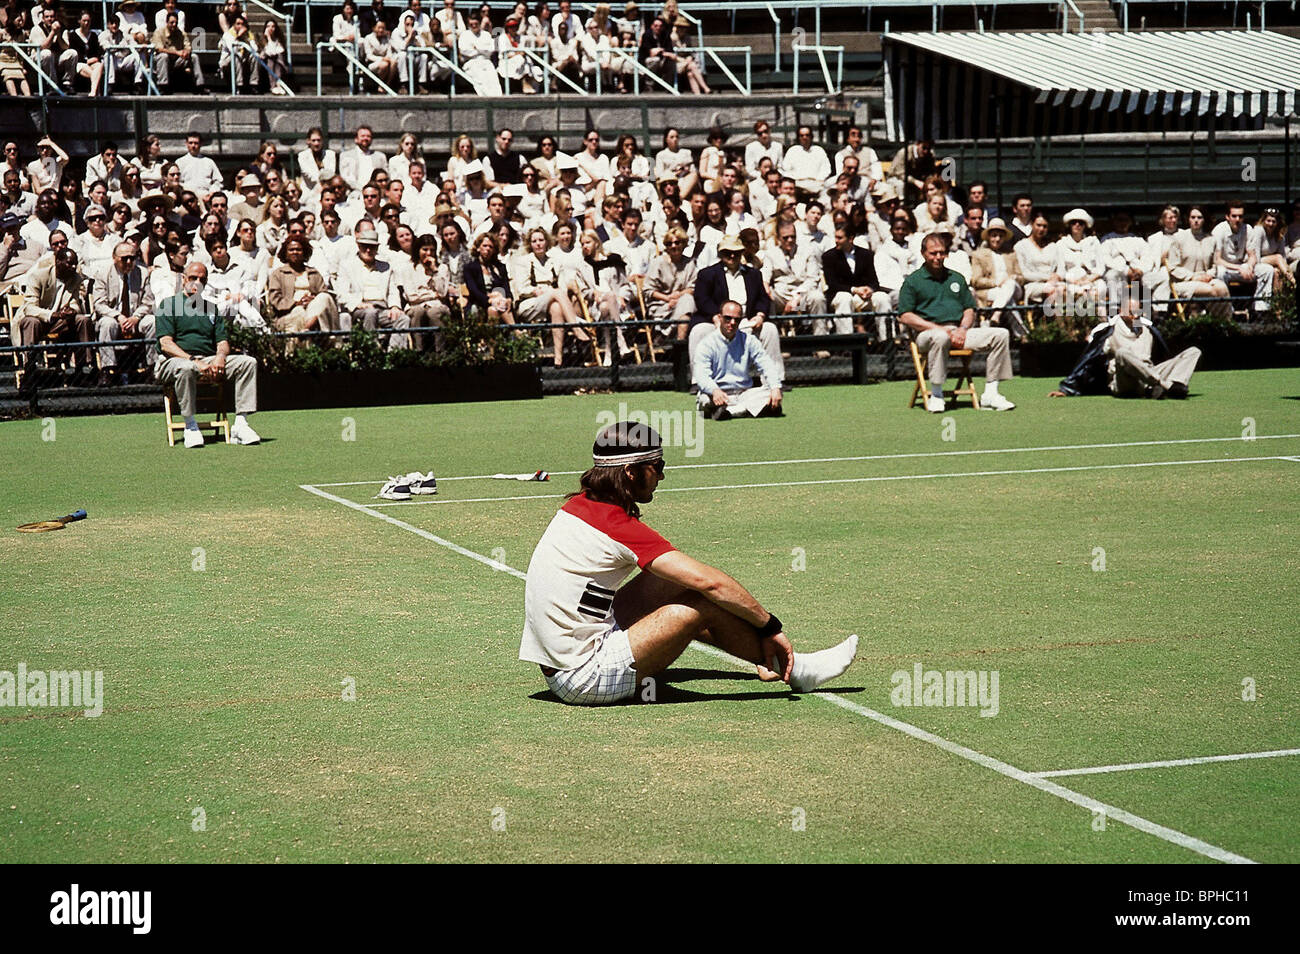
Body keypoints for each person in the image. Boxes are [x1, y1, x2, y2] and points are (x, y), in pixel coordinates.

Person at [519, 420, 857, 705]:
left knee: (673, 581)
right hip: (581, 679)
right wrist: (770, 627)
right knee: (697, 607)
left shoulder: (581, 506)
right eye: (658, 467)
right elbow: (711, 583)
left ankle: (773, 662)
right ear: (630, 471)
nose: (662, 477)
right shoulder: (616, 526)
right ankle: (797, 670)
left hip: (561, 659)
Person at [898, 233, 1016, 413]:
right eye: (933, 253)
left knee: (1000, 335)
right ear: (923, 253)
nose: (938, 257)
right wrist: (939, 329)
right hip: (927, 334)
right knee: (939, 337)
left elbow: (969, 309)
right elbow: (905, 316)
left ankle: (991, 394)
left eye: (942, 253)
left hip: (958, 331)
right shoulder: (913, 281)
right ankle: (936, 395)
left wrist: (962, 329)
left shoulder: (956, 278)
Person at [155, 261, 261, 447]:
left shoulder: (211, 308)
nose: (197, 283)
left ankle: (241, 425)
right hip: (174, 361)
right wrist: (194, 361)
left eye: (202, 280)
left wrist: (220, 357)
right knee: (186, 368)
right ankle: (190, 425)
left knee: (247, 362)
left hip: (207, 359)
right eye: (193, 278)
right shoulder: (168, 304)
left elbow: (222, 342)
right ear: (183, 279)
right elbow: (166, 344)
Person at [1051, 299, 1200, 401]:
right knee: (1122, 353)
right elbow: (1089, 361)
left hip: (1149, 373)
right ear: (1121, 311)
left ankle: (1166, 385)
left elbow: (1162, 355)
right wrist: (1067, 389)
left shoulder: (1148, 330)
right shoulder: (1108, 332)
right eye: (1131, 311)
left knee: (1193, 351)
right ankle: (1167, 386)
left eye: (1138, 310)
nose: (1135, 314)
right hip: (1125, 381)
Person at [693, 298, 784, 419]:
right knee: (705, 399)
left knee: (773, 392)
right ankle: (745, 410)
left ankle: (729, 412)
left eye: (737, 319)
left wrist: (775, 387)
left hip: (744, 393)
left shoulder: (749, 340)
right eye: (727, 318)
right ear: (719, 317)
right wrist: (714, 390)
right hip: (717, 393)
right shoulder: (706, 344)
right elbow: (701, 375)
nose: (732, 322)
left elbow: (766, 364)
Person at [17, 247, 94, 376]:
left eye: (75, 263)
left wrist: (72, 310)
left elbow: (76, 303)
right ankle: (29, 367)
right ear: (58, 261)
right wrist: (52, 314)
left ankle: (84, 366)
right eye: (69, 263)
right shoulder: (39, 276)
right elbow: (29, 308)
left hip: (60, 321)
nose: (74, 267)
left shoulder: (75, 278)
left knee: (83, 320)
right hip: (41, 320)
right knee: (30, 321)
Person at [91, 240, 155, 385]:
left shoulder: (142, 273)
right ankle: (108, 369)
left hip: (135, 317)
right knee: (107, 324)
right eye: (124, 258)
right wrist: (118, 316)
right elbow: (99, 304)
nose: (128, 262)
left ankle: (152, 367)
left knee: (152, 322)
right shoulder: (103, 274)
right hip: (113, 317)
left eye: (132, 258)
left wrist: (135, 318)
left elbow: (148, 302)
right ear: (114, 258)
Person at [336, 221, 409, 346]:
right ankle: (371, 352)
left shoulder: (385, 267)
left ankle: (394, 355)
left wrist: (395, 307)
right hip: (359, 309)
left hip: (382, 308)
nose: (368, 250)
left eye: (372, 247)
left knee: (403, 319)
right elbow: (342, 294)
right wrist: (359, 304)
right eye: (365, 246)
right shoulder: (347, 265)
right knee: (370, 313)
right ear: (358, 245)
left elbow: (393, 291)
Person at [1213, 200, 1273, 313]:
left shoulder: (1248, 229)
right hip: (1227, 268)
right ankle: (1225, 309)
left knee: (1267, 270)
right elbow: (1217, 260)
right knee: (1219, 272)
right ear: (1227, 217)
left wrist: (1249, 266)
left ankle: (1260, 309)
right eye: (1234, 216)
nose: (1237, 219)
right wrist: (1239, 268)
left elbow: (1252, 255)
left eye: (1240, 216)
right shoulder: (1219, 230)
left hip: (1242, 266)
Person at [152, 10, 204, 92]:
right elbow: (159, 49)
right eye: (172, 22)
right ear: (167, 22)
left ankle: (199, 86)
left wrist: (186, 52)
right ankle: (163, 86)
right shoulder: (159, 32)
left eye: (176, 22)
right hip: (162, 62)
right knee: (163, 56)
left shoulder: (181, 33)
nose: (174, 25)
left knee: (194, 57)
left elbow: (187, 45)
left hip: (177, 61)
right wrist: (177, 52)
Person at [339, 125, 388, 192]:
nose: (365, 138)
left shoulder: (380, 157)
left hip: (376, 194)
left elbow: (385, 178)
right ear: (356, 139)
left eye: (368, 136)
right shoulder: (346, 156)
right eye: (362, 136)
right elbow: (346, 178)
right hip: (354, 194)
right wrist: (362, 189)